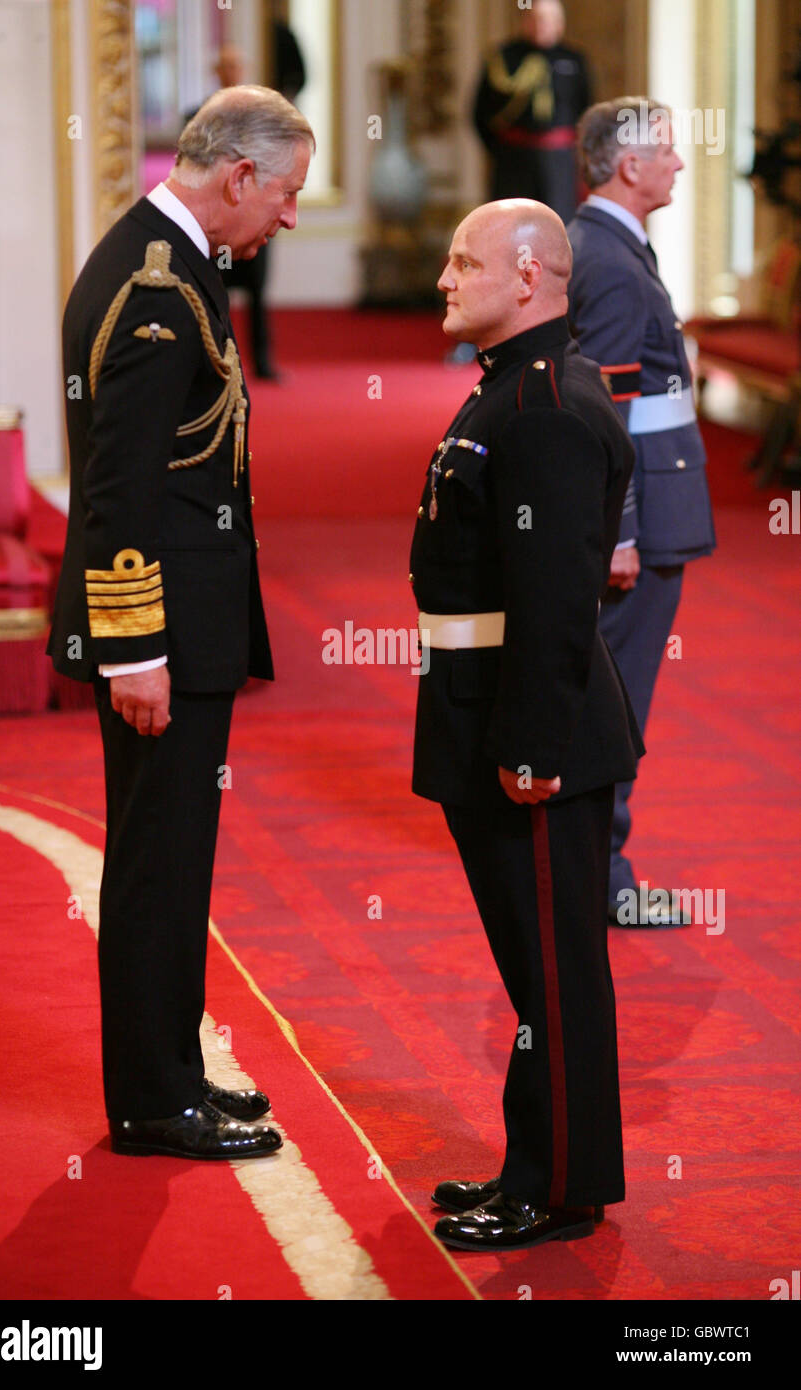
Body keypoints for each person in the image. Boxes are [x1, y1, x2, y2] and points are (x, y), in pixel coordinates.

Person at [48, 85, 314, 1159]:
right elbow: (121, 489)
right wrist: (138, 648)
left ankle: (174, 1070)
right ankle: (156, 1102)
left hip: (177, 617)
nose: (288, 217)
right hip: (160, 625)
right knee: (160, 862)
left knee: (174, 857)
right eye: (285, 193)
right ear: (238, 176)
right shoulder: (160, 286)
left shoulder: (169, 258)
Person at [410, 199, 643, 1250]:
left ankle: (552, 1188)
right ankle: (540, 1164)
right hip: (490, 710)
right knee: (532, 969)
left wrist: (532, 746)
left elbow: (554, 600)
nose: (445, 281)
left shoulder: (540, 405)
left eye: (463, 264)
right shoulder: (511, 388)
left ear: (530, 274)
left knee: (551, 970)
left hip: (529, 729)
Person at [567, 98, 716, 927]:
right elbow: (609, 408)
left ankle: (598, 868)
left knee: (616, 692)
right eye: (666, 152)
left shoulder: (600, 245)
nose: (679, 164)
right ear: (627, 166)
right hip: (645, 509)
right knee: (621, 701)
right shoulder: (615, 263)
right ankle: (605, 877)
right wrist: (620, 528)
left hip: (654, 500)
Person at [196, 36, 306, 379]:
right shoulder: (199, 118)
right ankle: (218, 363)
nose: (231, 71)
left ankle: (263, 363)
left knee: (258, 294)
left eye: (236, 66)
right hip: (221, 221)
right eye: (225, 66)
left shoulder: (264, 120)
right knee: (215, 292)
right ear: (216, 73)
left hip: (256, 217)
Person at [472, 0, 591, 223]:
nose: (541, 25)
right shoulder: (503, 57)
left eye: (548, 19)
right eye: (535, 18)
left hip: (560, 163)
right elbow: (480, 113)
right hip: (514, 160)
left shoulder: (574, 59)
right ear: (525, 21)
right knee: (510, 224)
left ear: (560, 23)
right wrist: (501, 151)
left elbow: (584, 111)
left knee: (558, 225)